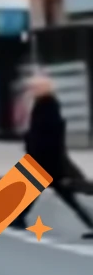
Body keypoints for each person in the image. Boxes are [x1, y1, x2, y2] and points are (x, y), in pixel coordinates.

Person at [13, 76, 93, 237]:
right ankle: (18, 218)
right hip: (45, 160)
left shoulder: (48, 108)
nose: (30, 91)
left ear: (42, 89)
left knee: (67, 197)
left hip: (49, 162)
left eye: (33, 88)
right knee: (39, 192)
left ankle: (18, 219)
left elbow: (49, 138)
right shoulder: (42, 106)